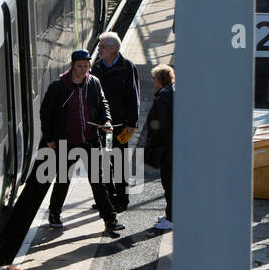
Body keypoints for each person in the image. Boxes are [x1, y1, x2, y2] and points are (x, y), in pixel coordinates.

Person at [39, 48, 124, 236]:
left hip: (91, 139)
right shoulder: (58, 87)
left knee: (98, 181)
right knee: (63, 179)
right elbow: (46, 114)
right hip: (66, 141)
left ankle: (110, 219)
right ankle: (54, 212)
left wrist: (107, 121)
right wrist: (50, 139)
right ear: (72, 65)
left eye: (86, 66)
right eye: (80, 66)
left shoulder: (94, 83)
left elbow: (103, 104)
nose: (83, 69)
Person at [92, 31, 141, 213]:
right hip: (102, 126)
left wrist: (131, 124)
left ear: (113, 49)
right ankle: (107, 197)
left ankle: (122, 199)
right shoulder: (97, 68)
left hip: (120, 126)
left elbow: (133, 96)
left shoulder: (127, 67)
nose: (99, 49)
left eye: (102, 46)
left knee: (119, 164)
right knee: (104, 162)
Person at [145, 63, 174, 232]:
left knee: (169, 183)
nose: (152, 80)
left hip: (167, 149)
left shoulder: (162, 97)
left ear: (160, 79)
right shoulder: (172, 93)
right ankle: (170, 214)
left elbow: (160, 126)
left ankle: (171, 218)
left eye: (153, 78)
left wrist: (153, 145)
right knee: (171, 183)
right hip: (173, 146)